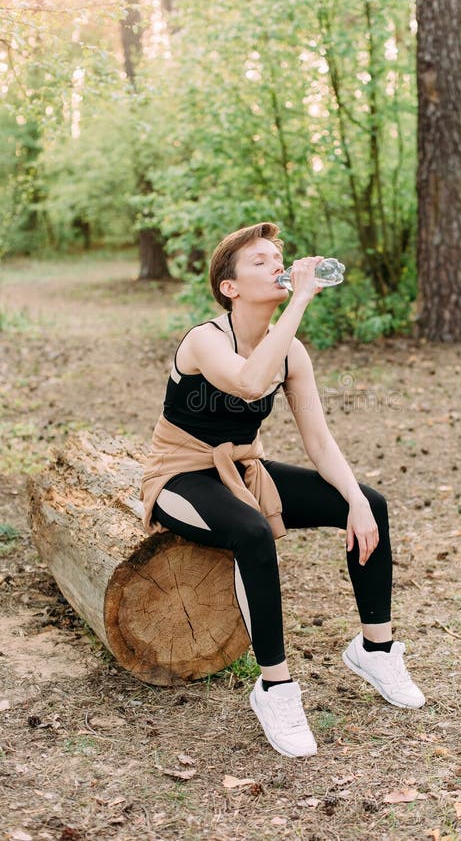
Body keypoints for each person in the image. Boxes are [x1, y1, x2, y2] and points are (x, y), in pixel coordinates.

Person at [141, 221, 425, 759]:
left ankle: (376, 649)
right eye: (261, 261)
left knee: (371, 503)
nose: (279, 266)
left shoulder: (291, 352)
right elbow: (248, 382)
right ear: (231, 287)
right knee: (251, 532)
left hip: (246, 469)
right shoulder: (205, 338)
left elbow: (318, 441)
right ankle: (275, 687)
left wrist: (357, 502)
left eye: (280, 258)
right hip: (179, 475)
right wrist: (300, 302)